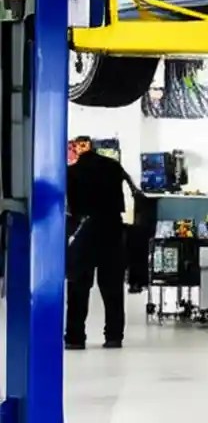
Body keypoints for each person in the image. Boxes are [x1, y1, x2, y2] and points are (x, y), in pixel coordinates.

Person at [65, 136, 133, 349]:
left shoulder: (71, 172)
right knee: (112, 288)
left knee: (78, 287)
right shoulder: (113, 167)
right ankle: (114, 336)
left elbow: (71, 206)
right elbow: (126, 197)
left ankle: (75, 337)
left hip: (85, 229)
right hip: (112, 229)